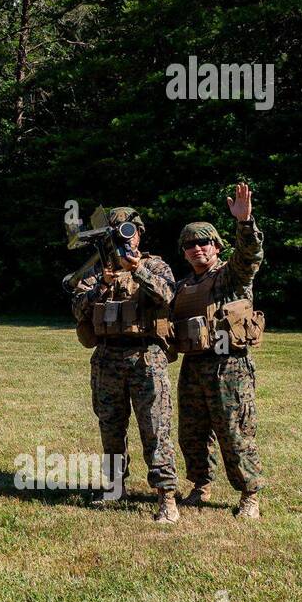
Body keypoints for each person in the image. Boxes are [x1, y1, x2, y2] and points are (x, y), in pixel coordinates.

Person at [70, 207, 180, 523]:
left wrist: (137, 271)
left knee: (156, 428)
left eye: (131, 231)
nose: (125, 239)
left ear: (140, 233)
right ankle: (115, 487)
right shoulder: (95, 272)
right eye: (118, 233)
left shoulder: (154, 264)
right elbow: (77, 309)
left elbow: (167, 296)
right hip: (107, 358)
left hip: (147, 358)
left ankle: (166, 497)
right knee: (110, 427)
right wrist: (100, 287)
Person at [172, 183, 266, 519]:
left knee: (234, 431)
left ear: (216, 246)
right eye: (190, 244)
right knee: (192, 432)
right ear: (183, 252)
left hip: (229, 366)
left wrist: (244, 222)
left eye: (204, 242)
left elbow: (250, 256)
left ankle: (249, 495)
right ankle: (200, 485)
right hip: (194, 366)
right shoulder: (182, 287)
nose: (197, 248)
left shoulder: (231, 276)